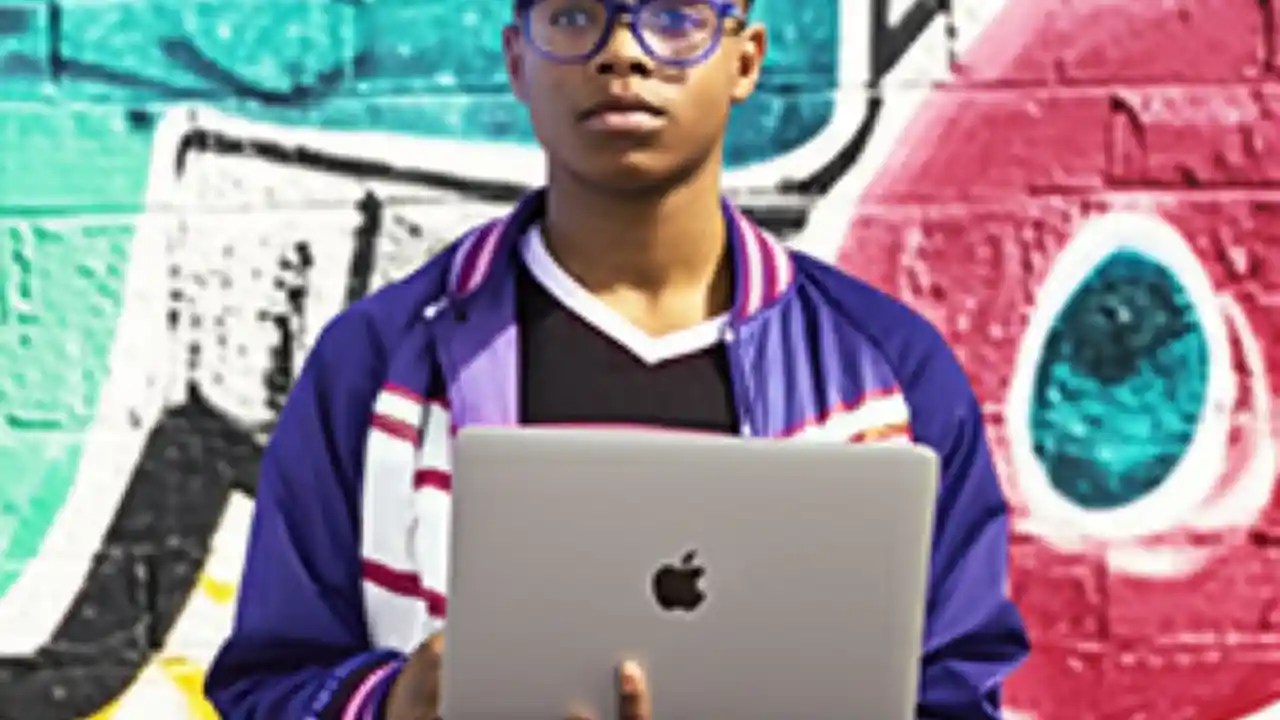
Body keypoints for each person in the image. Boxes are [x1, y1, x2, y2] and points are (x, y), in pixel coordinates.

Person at [204, 0, 1030, 717]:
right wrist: (394, 706)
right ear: (518, 61)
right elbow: (268, 685)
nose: (623, 52)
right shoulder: (382, 360)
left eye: (675, 18)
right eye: (573, 17)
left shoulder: (884, 373)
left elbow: (957, 690)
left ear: (744, 62)